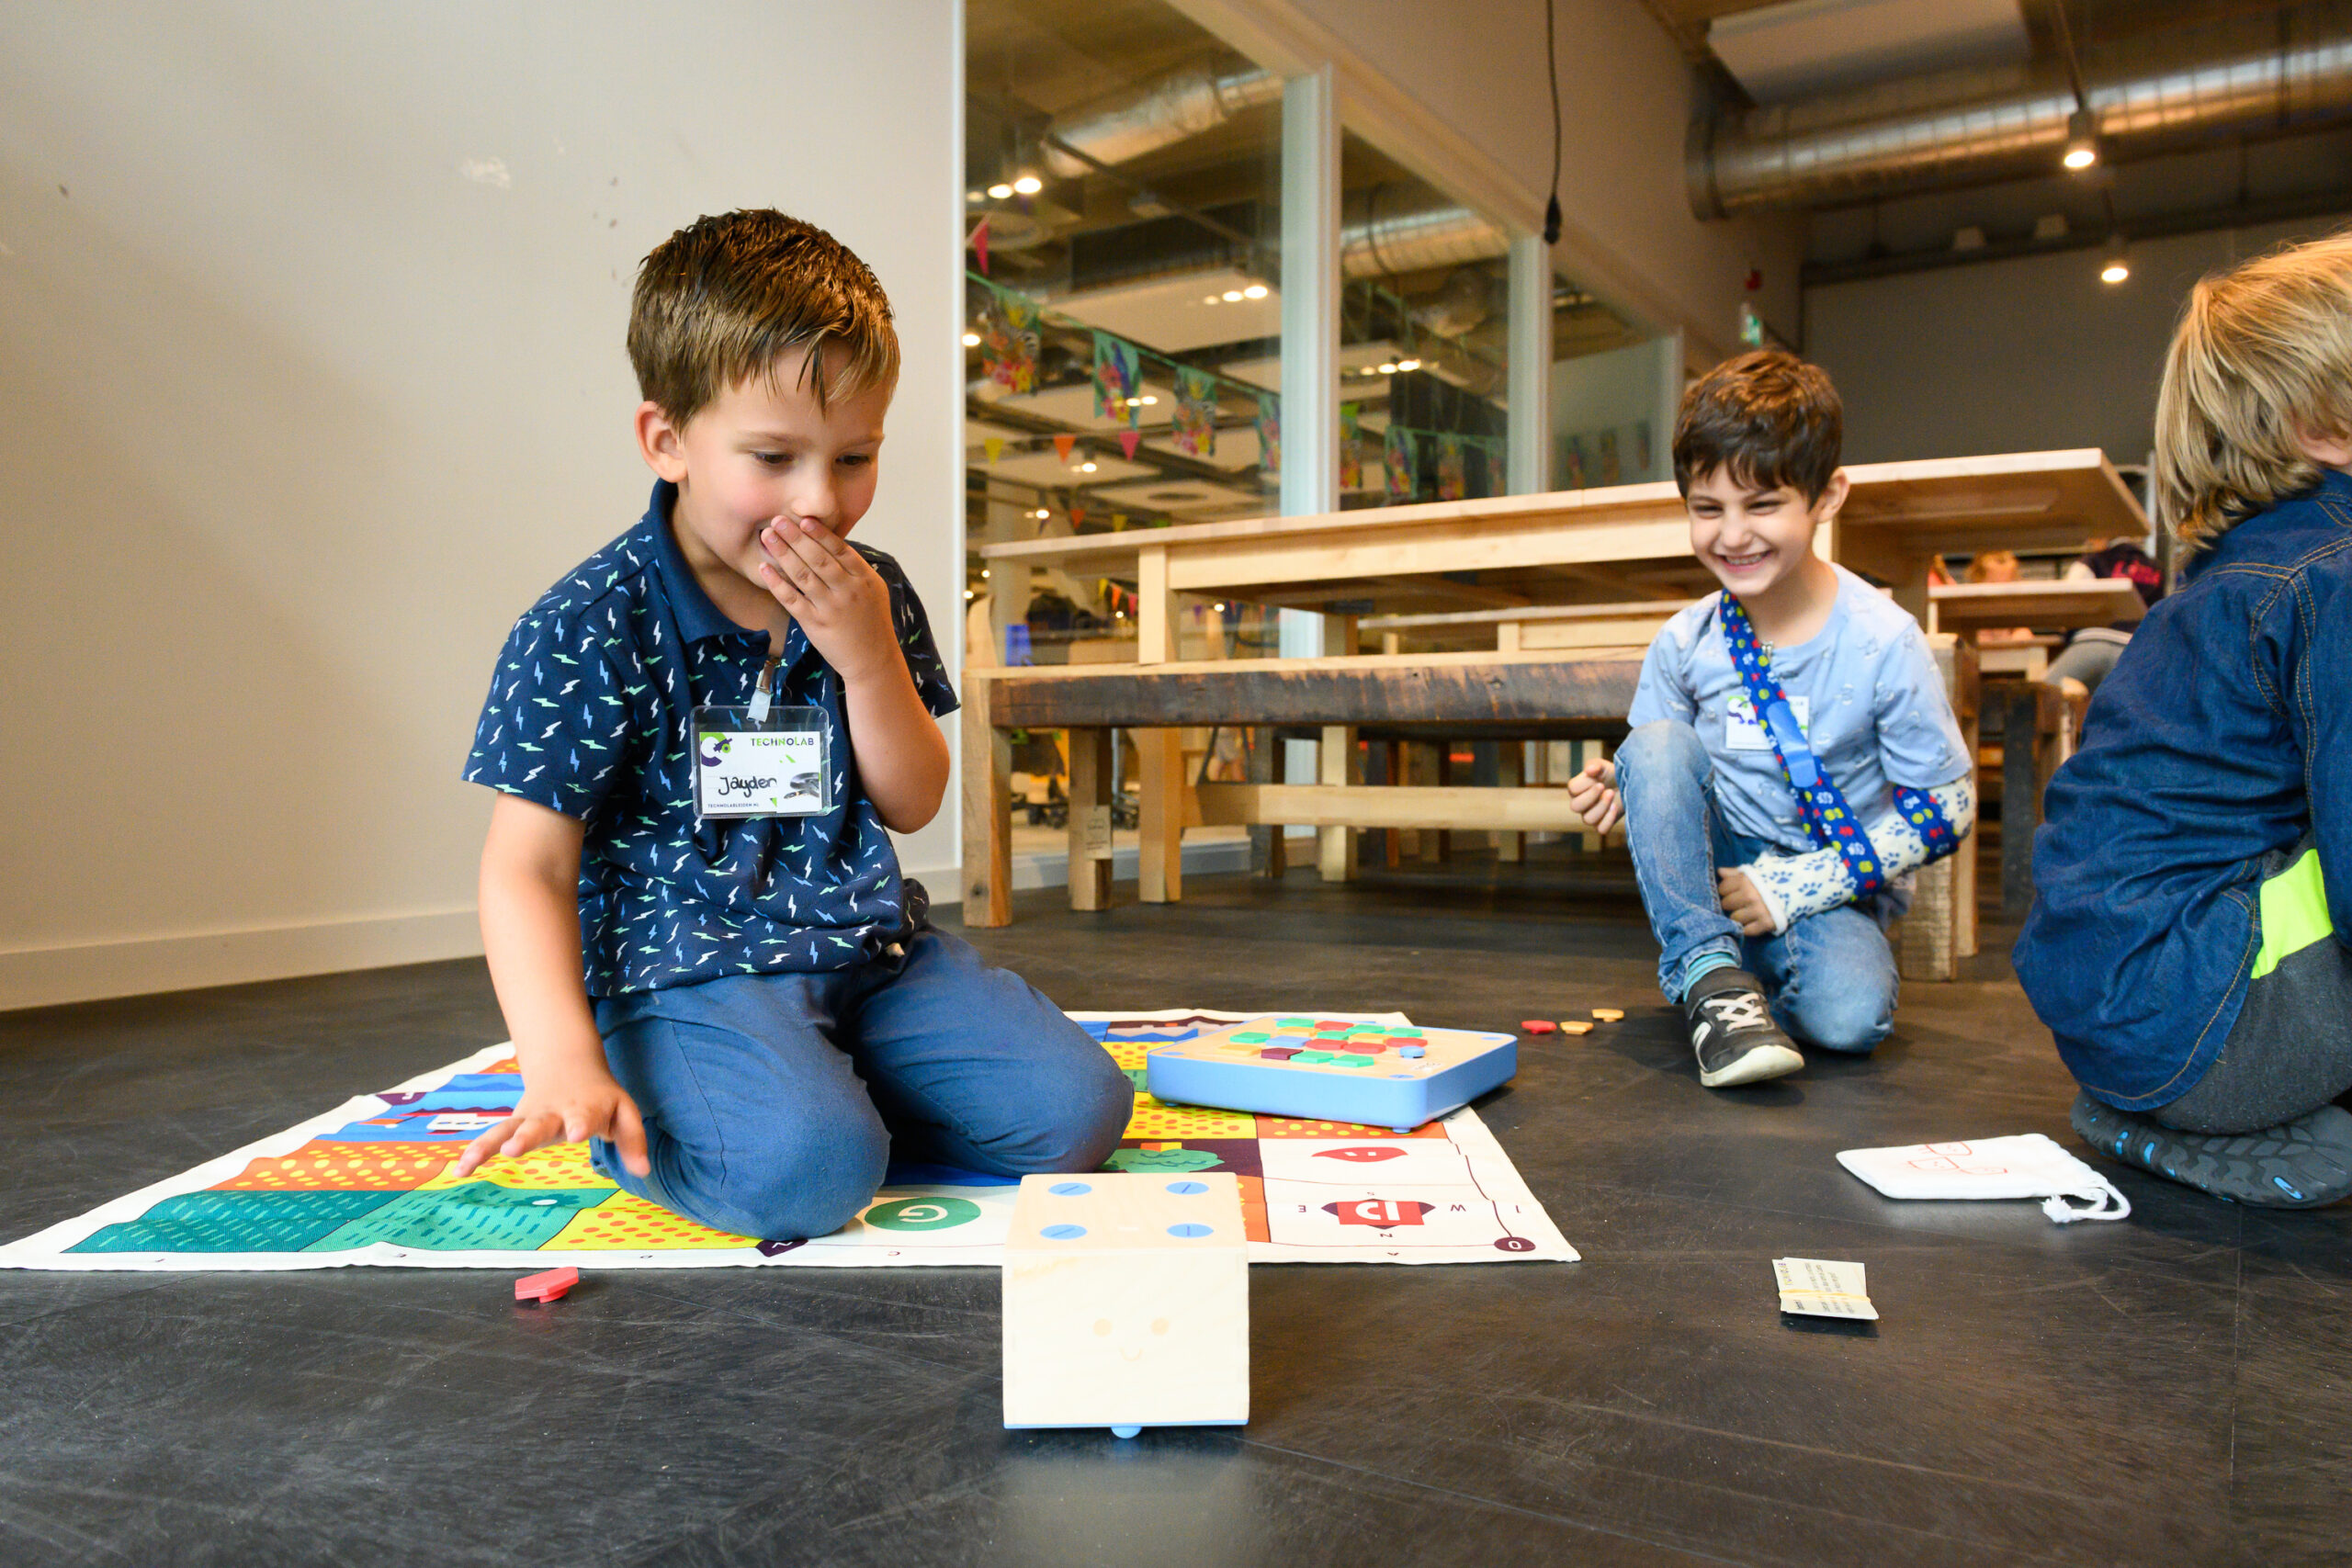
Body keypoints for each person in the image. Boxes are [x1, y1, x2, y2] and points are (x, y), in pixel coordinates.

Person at [453, 210, 1132, 1240]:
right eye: (773, 457)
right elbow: (525, 868)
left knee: (1077, 1115)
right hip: (687, 974)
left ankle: (817, 1099)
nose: (819, 501)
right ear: (667, 441)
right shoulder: (589, 623)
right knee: (811, 1178)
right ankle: (700, 1113)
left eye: (854, 457)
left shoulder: (872, 592)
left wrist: (868, 656)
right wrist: (560, 1061)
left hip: (871, 956)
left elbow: (914, 800)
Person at [2016, 231, 2352, 1208]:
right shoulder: (2333, 576)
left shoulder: (2234, 573)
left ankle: (2170, 1115)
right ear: (2319, 423)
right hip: (2206, 1033)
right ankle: (2216, 1113)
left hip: (2129, 1023)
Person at [1567, 352, 1974, 1089]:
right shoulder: (1684, 641)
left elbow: (1948, 807)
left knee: (1851, 1019)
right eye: (1707, 508)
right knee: (1651, 745)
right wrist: (1626, 782)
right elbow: (1664, 758)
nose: (1732, 535)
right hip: (1720, 862)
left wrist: (1793, 889)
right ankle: (1709, 970)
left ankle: (1741, 970)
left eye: (1761, 505)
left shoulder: (1885, 639)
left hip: (1821, 877)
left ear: (1827, 496)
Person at [2041, 536, 2163, 696]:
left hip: (2091, 642)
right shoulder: (2157, 569)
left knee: (2045, 691)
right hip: (2134, 649)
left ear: (2103, 535)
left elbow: (2065, 605)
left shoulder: (2091, 561)